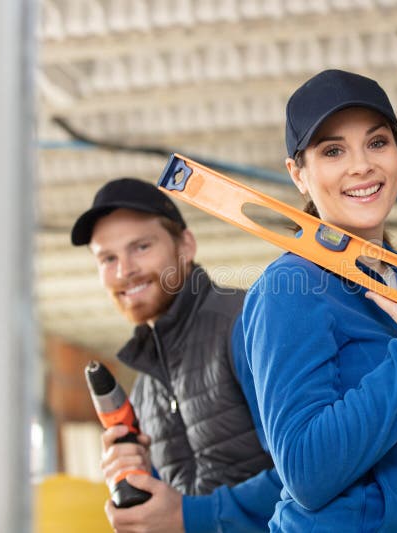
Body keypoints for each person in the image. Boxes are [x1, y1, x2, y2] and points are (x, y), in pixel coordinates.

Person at [241, 69, 397, 532]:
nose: (361, 165)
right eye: (333, 150)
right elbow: (305, 471)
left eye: (377, 143)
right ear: (298, 175)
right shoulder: (290, 290)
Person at [70, 177, 282, 532]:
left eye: (141, 247)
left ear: (185, 245)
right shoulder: (144, 389)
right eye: (107, 258)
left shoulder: (246, 324)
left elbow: (313, 475)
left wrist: (190, 515)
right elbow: (179, 505)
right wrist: (143, 483)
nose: (125, 270)